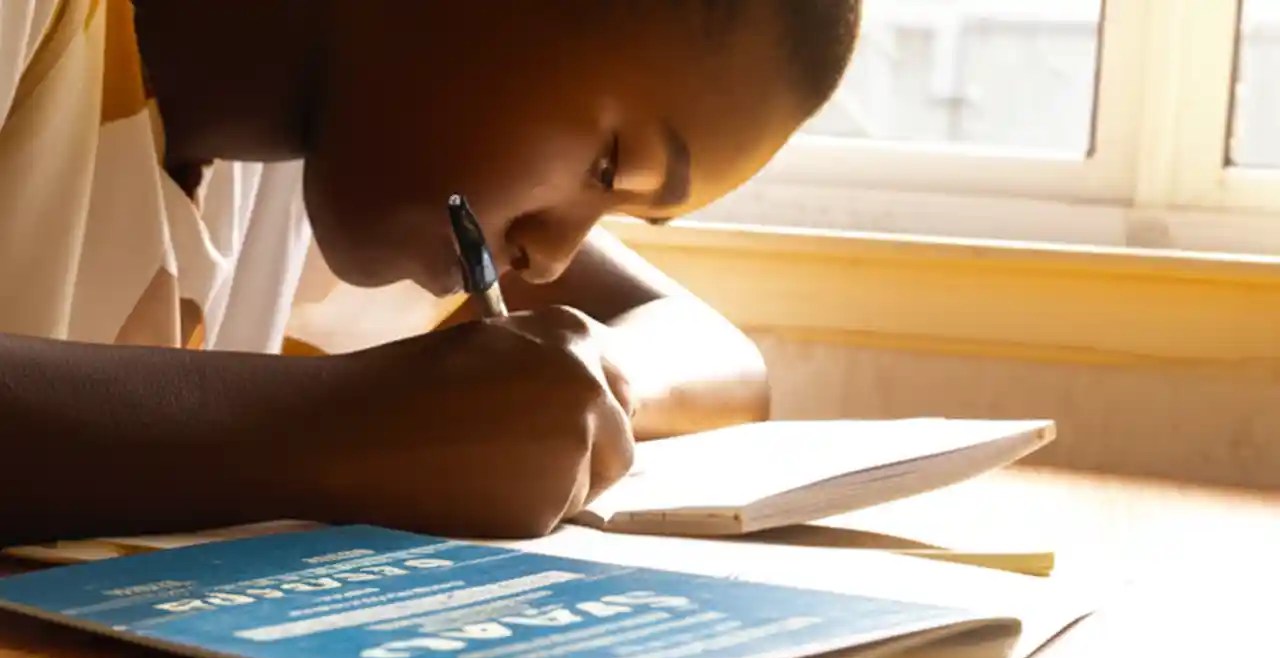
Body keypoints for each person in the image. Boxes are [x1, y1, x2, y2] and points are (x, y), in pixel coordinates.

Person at [0, 0, 860, 544]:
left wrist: (580, 387)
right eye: (609, 166)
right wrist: (345, 432)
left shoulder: (323, 159)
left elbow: (718, 356)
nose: (551, 255)